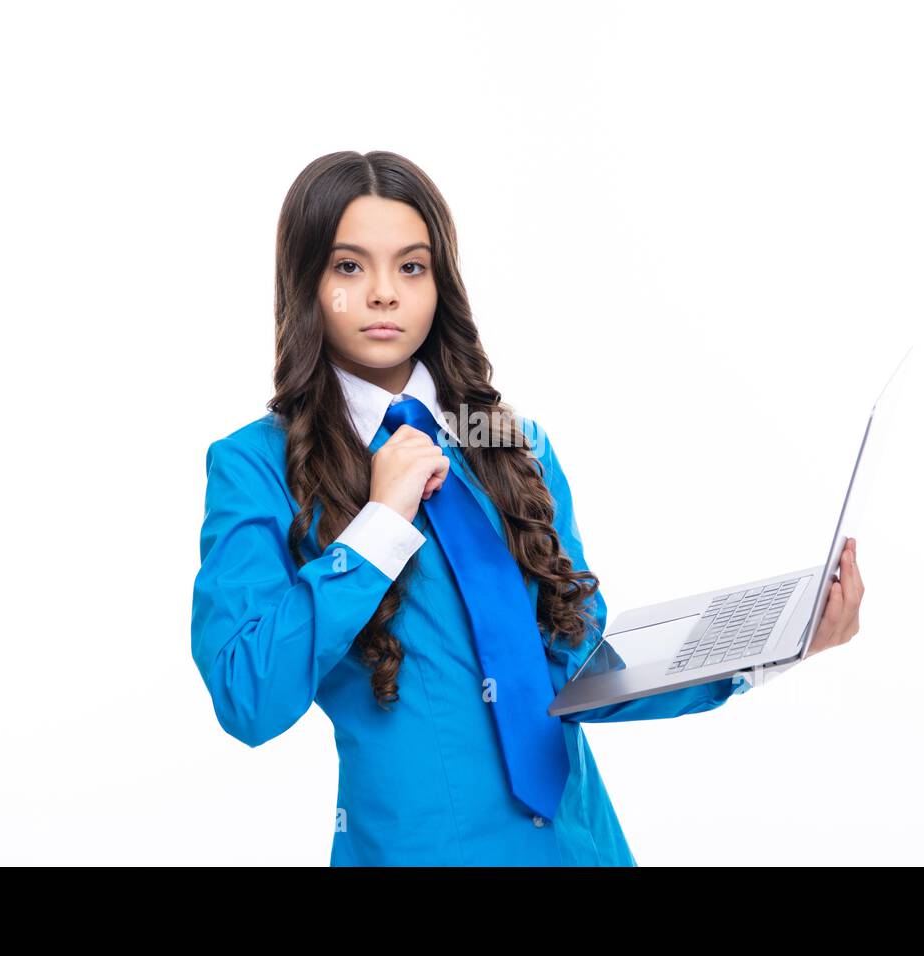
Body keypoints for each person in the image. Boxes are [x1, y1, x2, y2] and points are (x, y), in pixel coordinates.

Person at [190, 150, 866, 866]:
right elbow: (247, 695)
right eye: (349, 266)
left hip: (581, 846)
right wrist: (379, 527)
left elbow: (579, 672)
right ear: (306, 283)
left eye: (411, 266)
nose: (384, 292)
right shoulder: (257, 463)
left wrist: (773, 646)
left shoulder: (510, 443)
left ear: (441, 284)